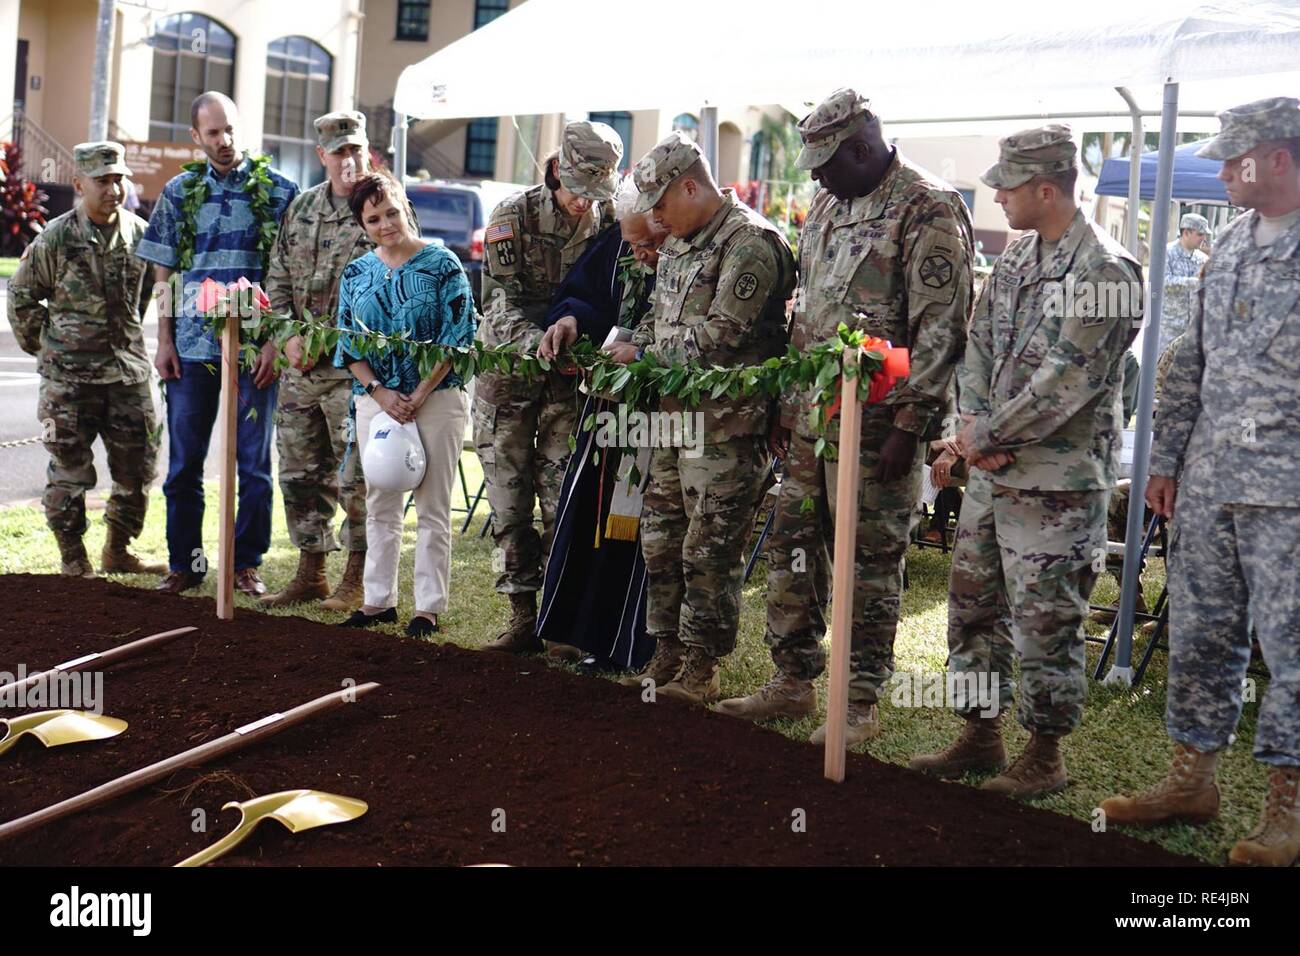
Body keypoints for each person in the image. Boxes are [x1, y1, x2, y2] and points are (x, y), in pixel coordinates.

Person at [716, 90, 974, 741]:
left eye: (826, 163)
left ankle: (858, 701)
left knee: (868, 563)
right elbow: (808, 310)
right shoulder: (831, 201)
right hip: (812, 416)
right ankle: (793, 681)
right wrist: (786, 406)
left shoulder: (928, 206)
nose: (818, 178)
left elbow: (941, 331)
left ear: (861, 148)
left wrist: (911, 428)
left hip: (881, 425)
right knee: (793, 548)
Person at [909, 125, 1143, 798]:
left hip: (1057, 485)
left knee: (1046, 619)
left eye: (1007, 187)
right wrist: (970, 426)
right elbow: (978, 344)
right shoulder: (1016, 258)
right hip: (993, 473)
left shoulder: (1107, 272)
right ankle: (980, 733)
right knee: (974, 608)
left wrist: (980, 437)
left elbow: (1065, 383)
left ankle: (1045, 755)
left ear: (1046, 189)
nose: (998, 198)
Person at [1100, 97, 1300, 867]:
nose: (1220, 175)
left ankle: (1286, 811)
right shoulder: (1233, 241)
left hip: (1287, 494)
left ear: (1278, 157)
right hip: (1213, 482)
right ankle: (1191, 781)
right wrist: (1166, 458)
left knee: (1290, 649)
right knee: (1201, 633)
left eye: (1233, 160)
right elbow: (1191, 358)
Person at [610, 131, 795, 704]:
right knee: (660, 540)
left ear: (690, 187)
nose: (656, 220)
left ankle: (702, 665)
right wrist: (629, 344)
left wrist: (641, 356)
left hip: (727, 429)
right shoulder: (681, 240)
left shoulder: (750, 244)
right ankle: (667, 651)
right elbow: (658, 317)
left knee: (709, 549)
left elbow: (719, 339)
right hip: (673, 419)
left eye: (661, 205)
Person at [136, 91, 298, 596]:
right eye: (213, 132)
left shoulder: (279, 190)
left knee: (254, 465)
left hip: (255, 351)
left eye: (229, 129)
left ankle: (245, 564)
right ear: (196, 136)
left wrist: (274, 343)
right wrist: (164, 340)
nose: (224, 140)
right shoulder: (179, 191)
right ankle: (187, 564)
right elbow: (163, 270)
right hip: (191, 348)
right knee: (184, 464)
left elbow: (288, 274)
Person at [473, 121, 623, 657]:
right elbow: (498, 301)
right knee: (509, 504)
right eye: (579, 188)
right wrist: (537, 342)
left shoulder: (610, 219)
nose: (585, 202)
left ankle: (560, 620)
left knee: (564, 501)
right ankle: (520, 615)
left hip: (567, 385)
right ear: (557, 169)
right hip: (508, 377)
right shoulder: (512, 215)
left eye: (596, 191)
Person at [7, 142, 164, 578]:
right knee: (69, 471)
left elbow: (145, 296)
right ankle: (74, 559)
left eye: (118, 179)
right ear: (79, 184)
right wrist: (49, 348)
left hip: (127, 374)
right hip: (69, 381)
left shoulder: (140, 235)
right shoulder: (56, 237)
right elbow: (21, 297)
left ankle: (119, 549)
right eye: (102, 181)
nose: (114, 189)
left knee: (139, 467)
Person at [533, 177, 671, 670]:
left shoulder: (694, 248)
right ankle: (584, 633)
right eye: (633, 243)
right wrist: (570, 320)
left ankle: (633, 646)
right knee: (594, 514)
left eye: (649, 243)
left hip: (666, 412)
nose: (639, 254)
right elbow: (586, 296)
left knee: (646, 526)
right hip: (611, 406)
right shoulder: (621, 238)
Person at [332, 169, 476, 637]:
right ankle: (378, 601)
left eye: (391, 213)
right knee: (380, 500)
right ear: (362, 225)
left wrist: (418, 394)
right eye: (373, 219)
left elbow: (459, 337)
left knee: (433, 503)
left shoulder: (443, 263)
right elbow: (348, 345)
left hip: (436, 397)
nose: (386, 224)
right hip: (376, 399)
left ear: (405, 208)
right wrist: (380, 392)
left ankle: (427, 608)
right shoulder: (357, 273)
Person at [261, 111, 394, 612]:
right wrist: (287, 335)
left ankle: (355, 579)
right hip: (301, 372)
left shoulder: (384, 207)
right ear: (322, 155)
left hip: (355, 373)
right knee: (299, 473)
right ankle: (310, 572)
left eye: (356, 149)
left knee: (356, 477)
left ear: (367, 150)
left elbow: (399, 283)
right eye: (339, 152)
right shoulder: (301, 208)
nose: (349, 159)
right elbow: (277, 277)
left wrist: (342, 342)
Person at [1160, 212, 1211, 353]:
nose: (1203, 238)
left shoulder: (1203, 259)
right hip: (1169, 328)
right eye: (1200, 234)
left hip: (1192, 330)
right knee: (1162, 365)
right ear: (1186, 233)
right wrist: (1195, 283)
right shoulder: (1166, 253)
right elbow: (1163, 282)